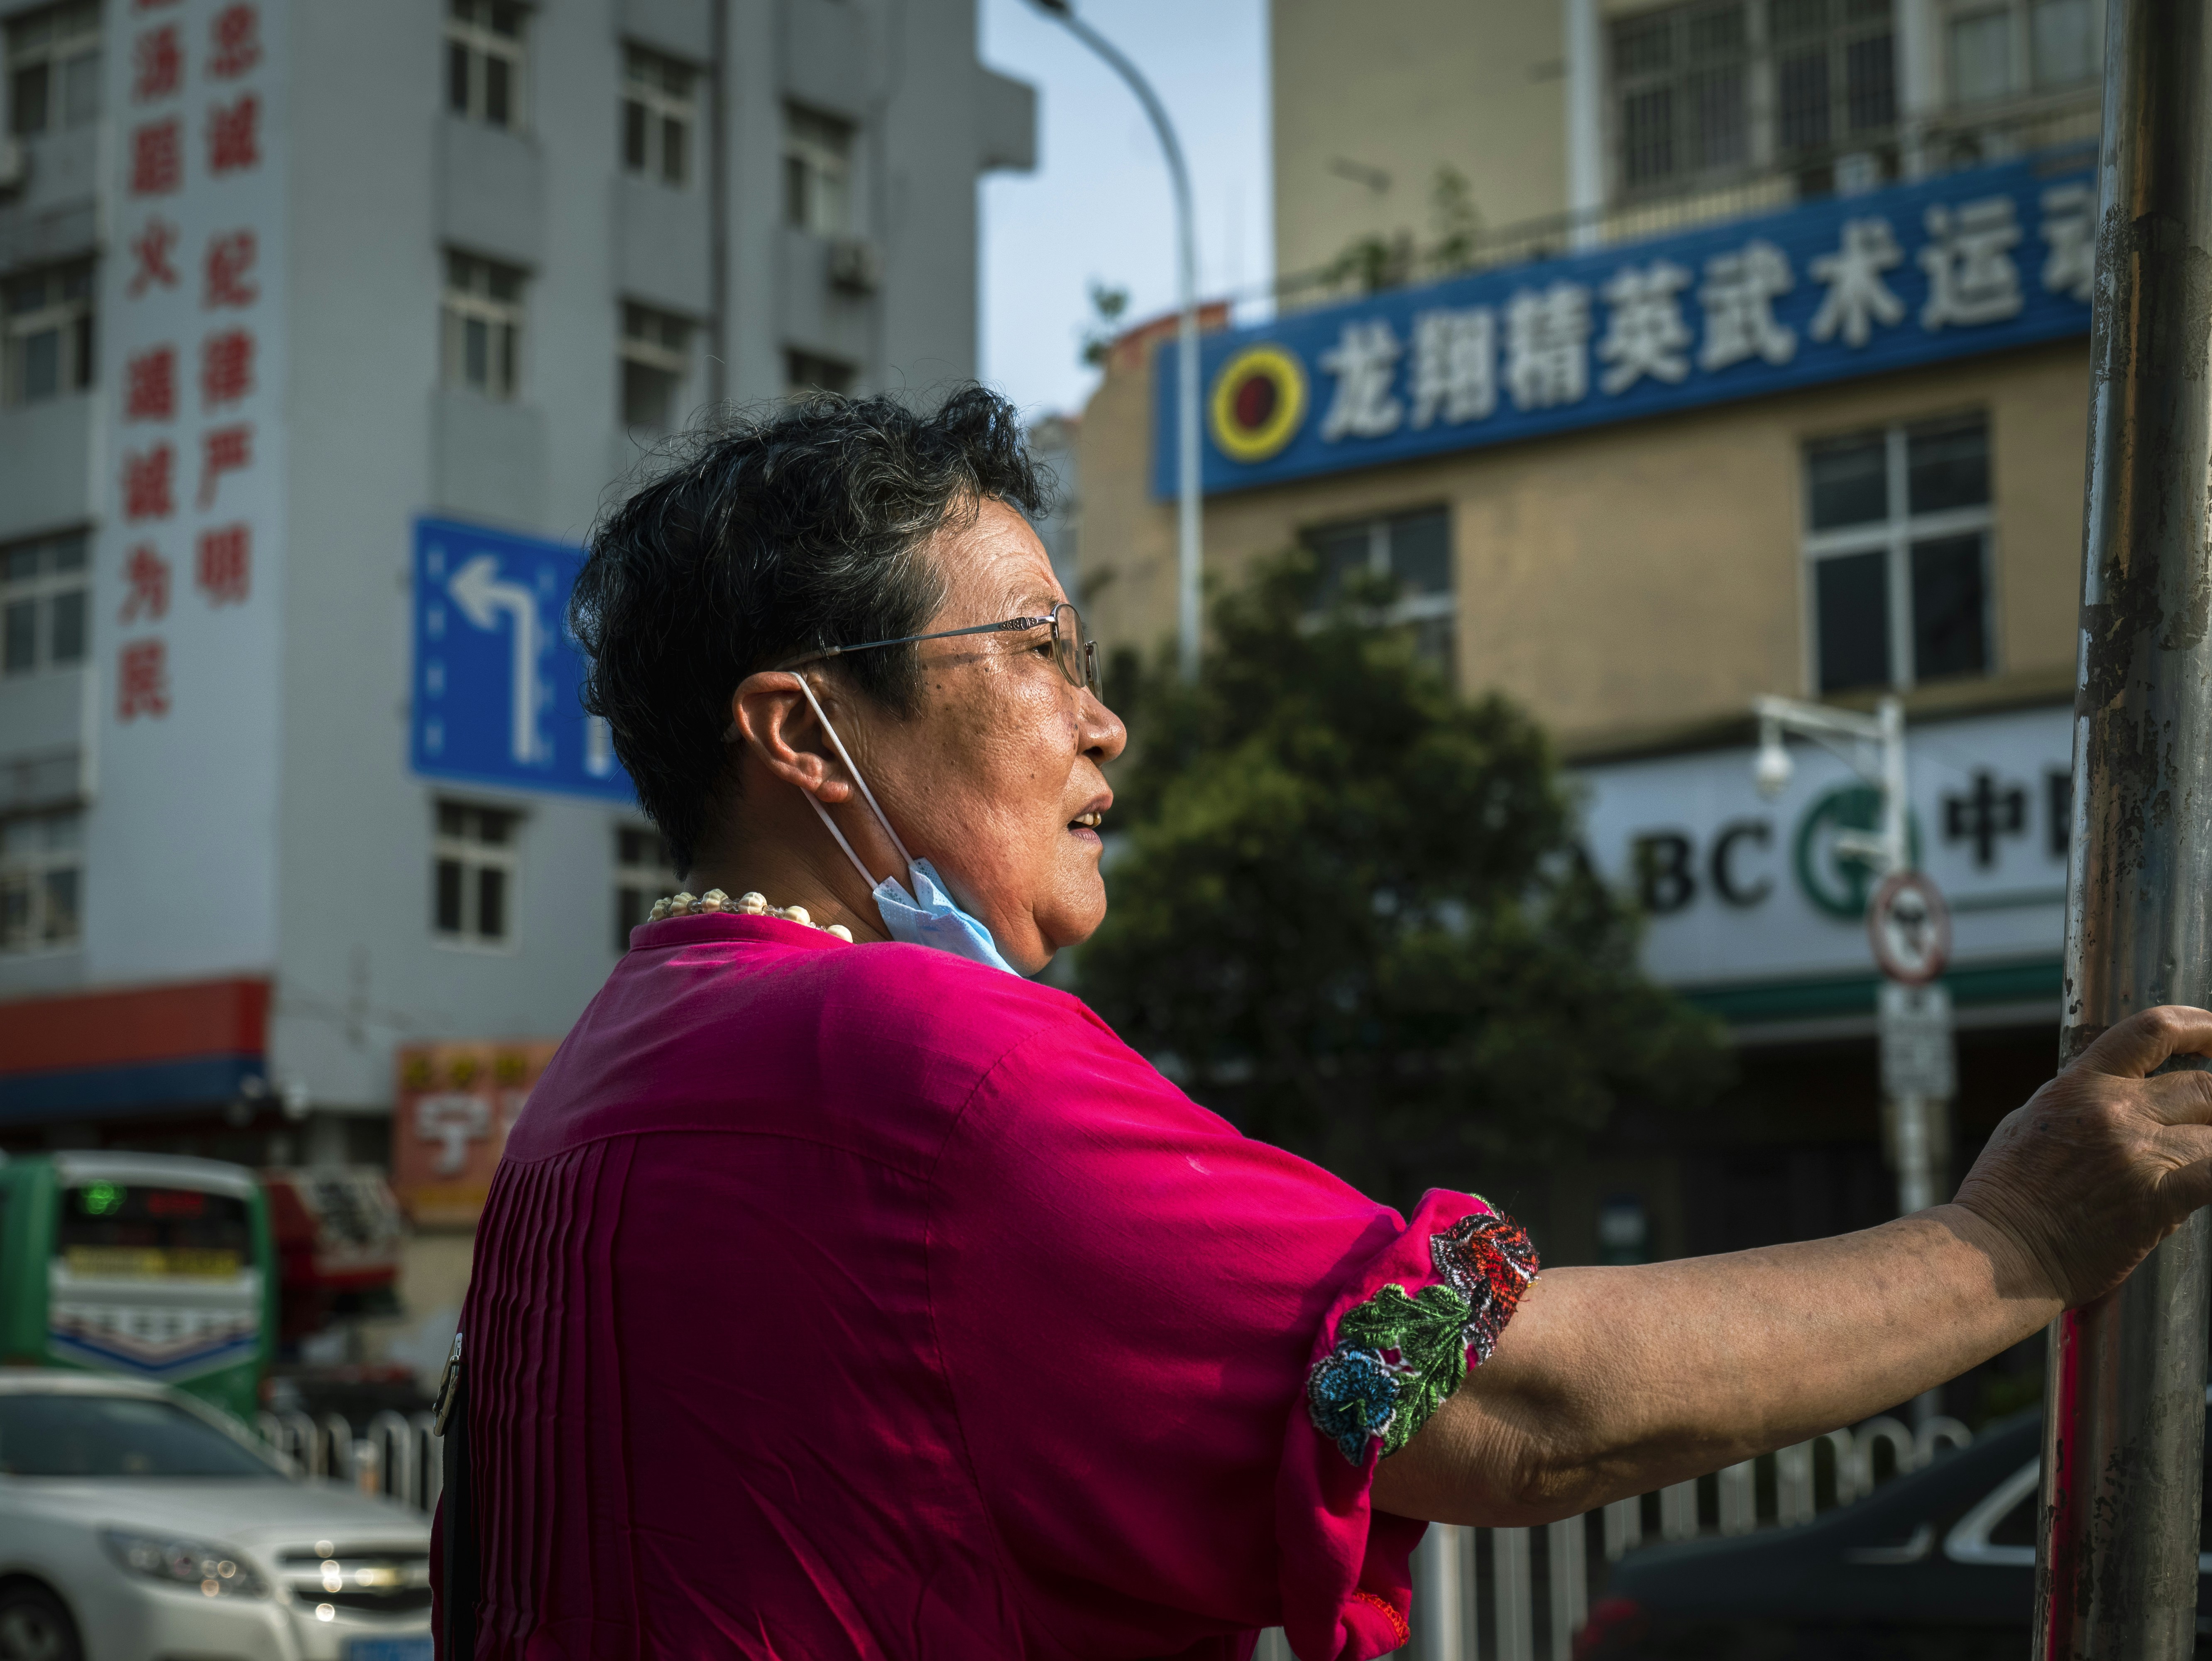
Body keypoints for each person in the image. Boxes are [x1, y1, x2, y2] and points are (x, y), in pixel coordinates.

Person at [431, 387, 2212, 1661]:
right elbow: (1516, 1402)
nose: (1103, 720)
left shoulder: (605, 1079)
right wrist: (2011, 1239)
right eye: (1039, 648)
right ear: (810, 737)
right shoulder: (925, 1065)